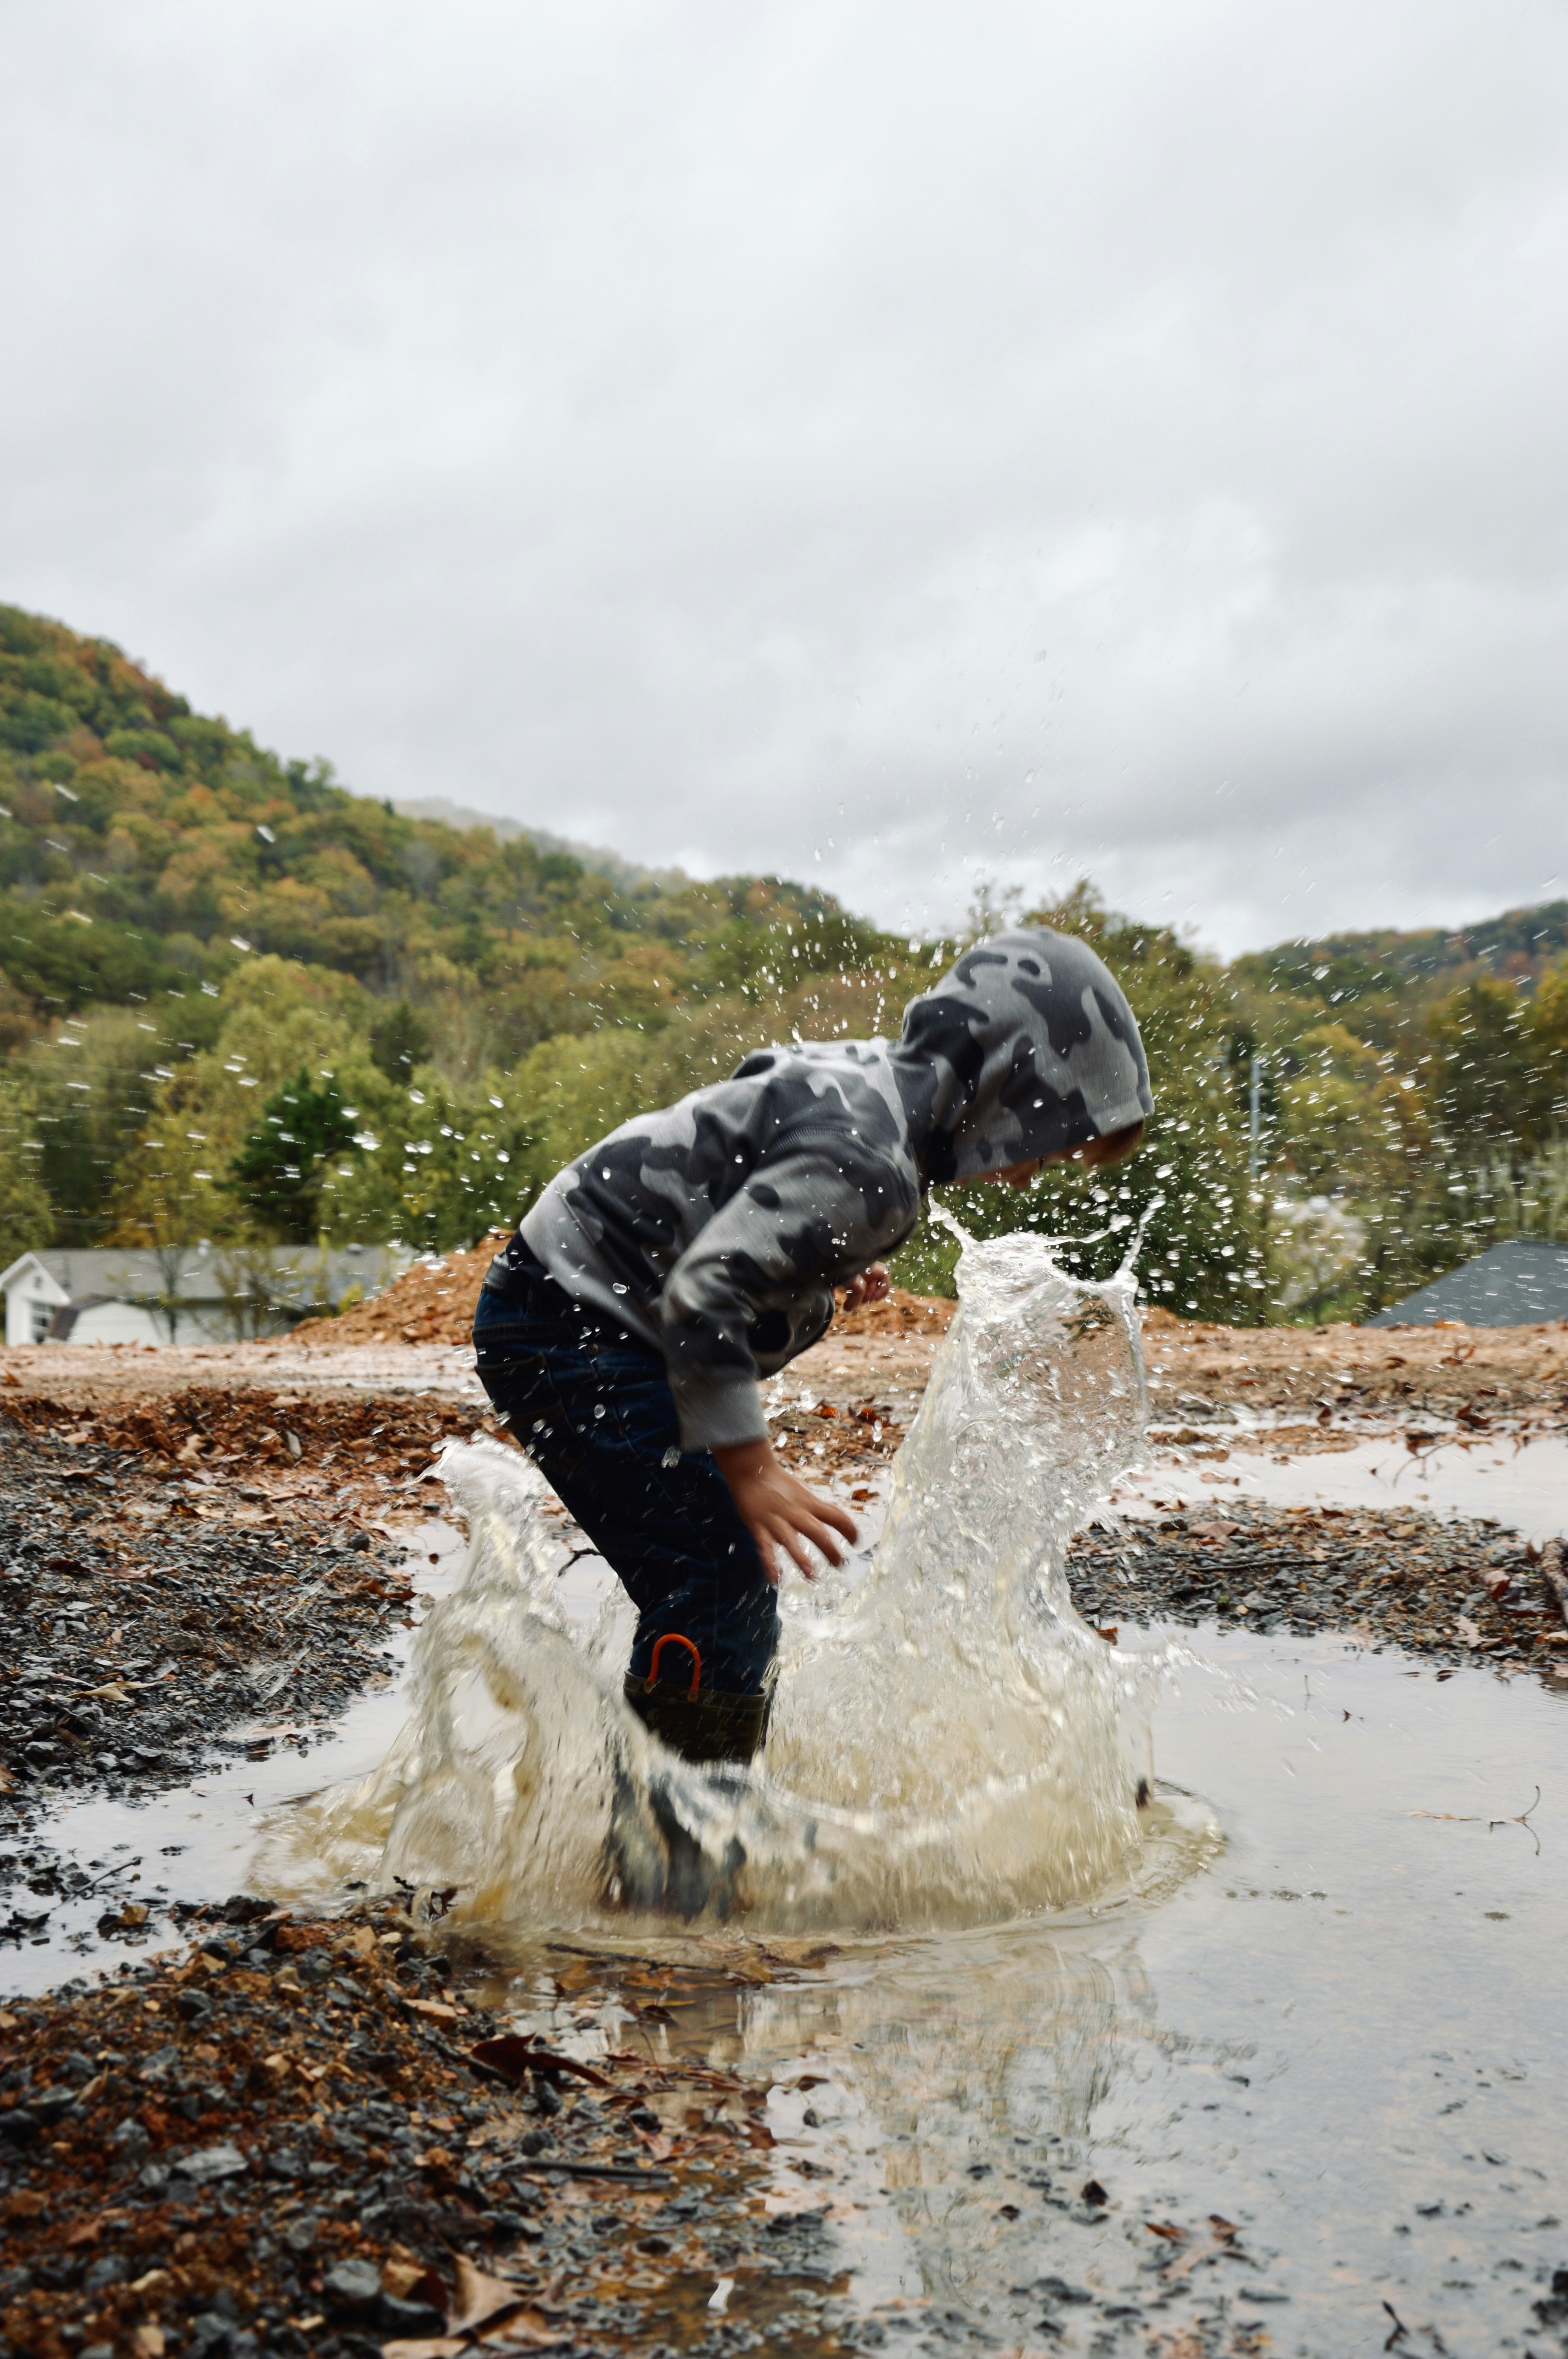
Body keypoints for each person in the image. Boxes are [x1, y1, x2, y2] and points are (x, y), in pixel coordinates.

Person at [473, 927, 1152, 1766]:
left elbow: (751, 1136)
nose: (1025, 1175)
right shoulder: (876, 1165)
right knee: (717, 1592)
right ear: (1007, 1082)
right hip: (571, 1326)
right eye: (1044, 1142)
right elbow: (702, 1290)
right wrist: (750, 1469)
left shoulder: (865, 1081)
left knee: (708, 1586)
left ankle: (683, 1827)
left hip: (564, 1300)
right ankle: (670, 1868)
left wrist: (811, 1281)